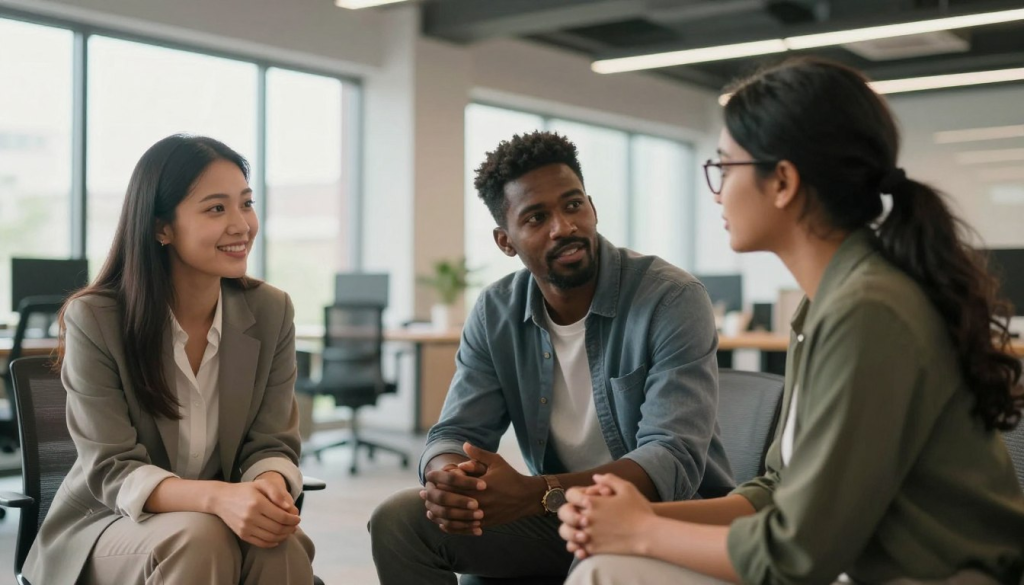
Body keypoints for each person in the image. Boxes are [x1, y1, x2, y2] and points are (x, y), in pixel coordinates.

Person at [557, 57, 1024, 585]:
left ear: (782, 182)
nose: (716, 191)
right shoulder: (827, 303)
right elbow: (776, 488)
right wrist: (638, 520)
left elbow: (796, 556)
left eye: (724, 167)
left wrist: (640, 530)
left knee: (609, 572)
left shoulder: (868, 311)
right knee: (610, 563)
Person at [369, 130, 733, 584]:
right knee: (399, 520)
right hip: (561, 519)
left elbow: (672, 458)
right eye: (537, 217)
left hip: (661, 520)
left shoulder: (671, 298)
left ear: (592, 207)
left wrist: (535, 495)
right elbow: (455, 431)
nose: (564, 226)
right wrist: (451, 481)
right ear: (506, 241)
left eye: (573, 204)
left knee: (593, 557)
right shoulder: (495, 310)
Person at [22, 134, 315, 585]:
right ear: (162, 227)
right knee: (199, 537)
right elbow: (111, 469)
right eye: (216, 208)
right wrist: (218, 498)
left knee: (278, 544)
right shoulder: (97, 318)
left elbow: (271, 443)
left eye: (246, 204)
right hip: (106, 523)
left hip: (211, 521)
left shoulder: (270, 311)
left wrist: (269, 487)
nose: (242, 225)